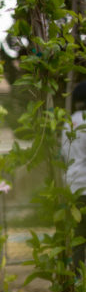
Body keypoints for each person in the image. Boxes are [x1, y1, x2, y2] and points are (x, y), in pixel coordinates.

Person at [63, 81, 86, 267]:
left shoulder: (68, 123)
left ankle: (78, 282)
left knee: (79, 238)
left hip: (73, 186)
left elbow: (65, 155)